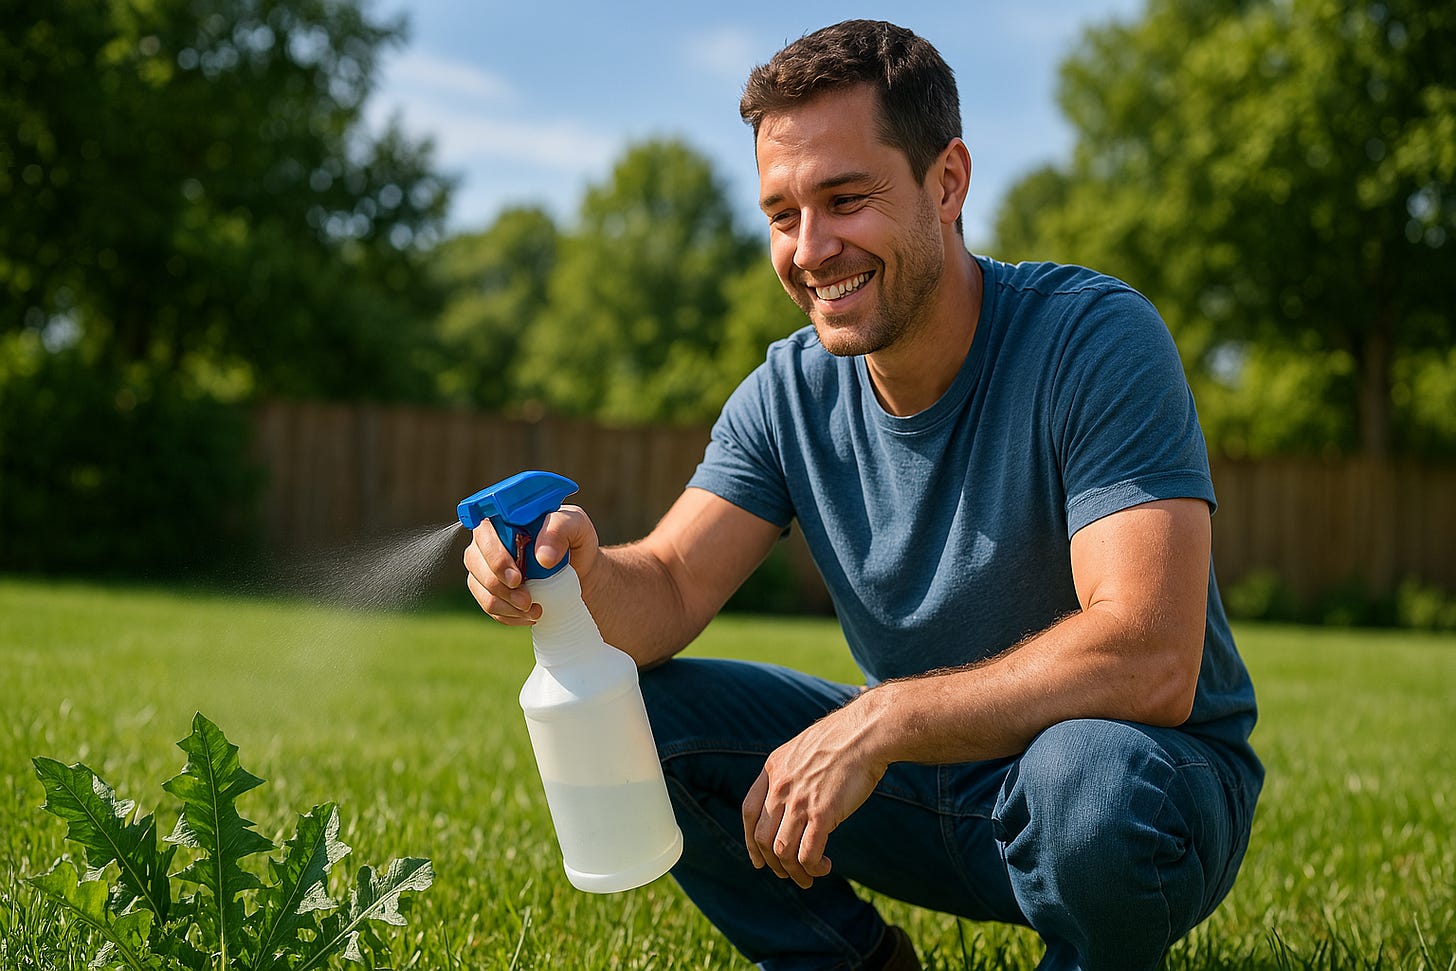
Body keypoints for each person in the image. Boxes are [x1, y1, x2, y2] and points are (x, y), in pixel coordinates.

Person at [465, 19, 1262, 971]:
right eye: (781, 213)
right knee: (648, 713)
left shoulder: (1092, 340)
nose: (810, 249)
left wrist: (881, 719)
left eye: (845, 198)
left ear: (948, 182)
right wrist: (576, 573)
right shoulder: (788, 392)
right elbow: (671, 584)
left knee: (1083, 777)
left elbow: (1149, 657)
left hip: (1140, 792)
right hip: (930, 789)